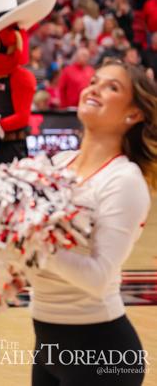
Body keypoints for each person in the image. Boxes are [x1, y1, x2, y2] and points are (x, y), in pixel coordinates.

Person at [28, 59, 155, 386]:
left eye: (112, 87)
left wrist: (29, 243)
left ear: (133, 114)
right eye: (94, 81)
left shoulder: (124, 180)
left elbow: (98, 277)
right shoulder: (57, 164)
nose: (95, 89)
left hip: (102, 355)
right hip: (47, 346)